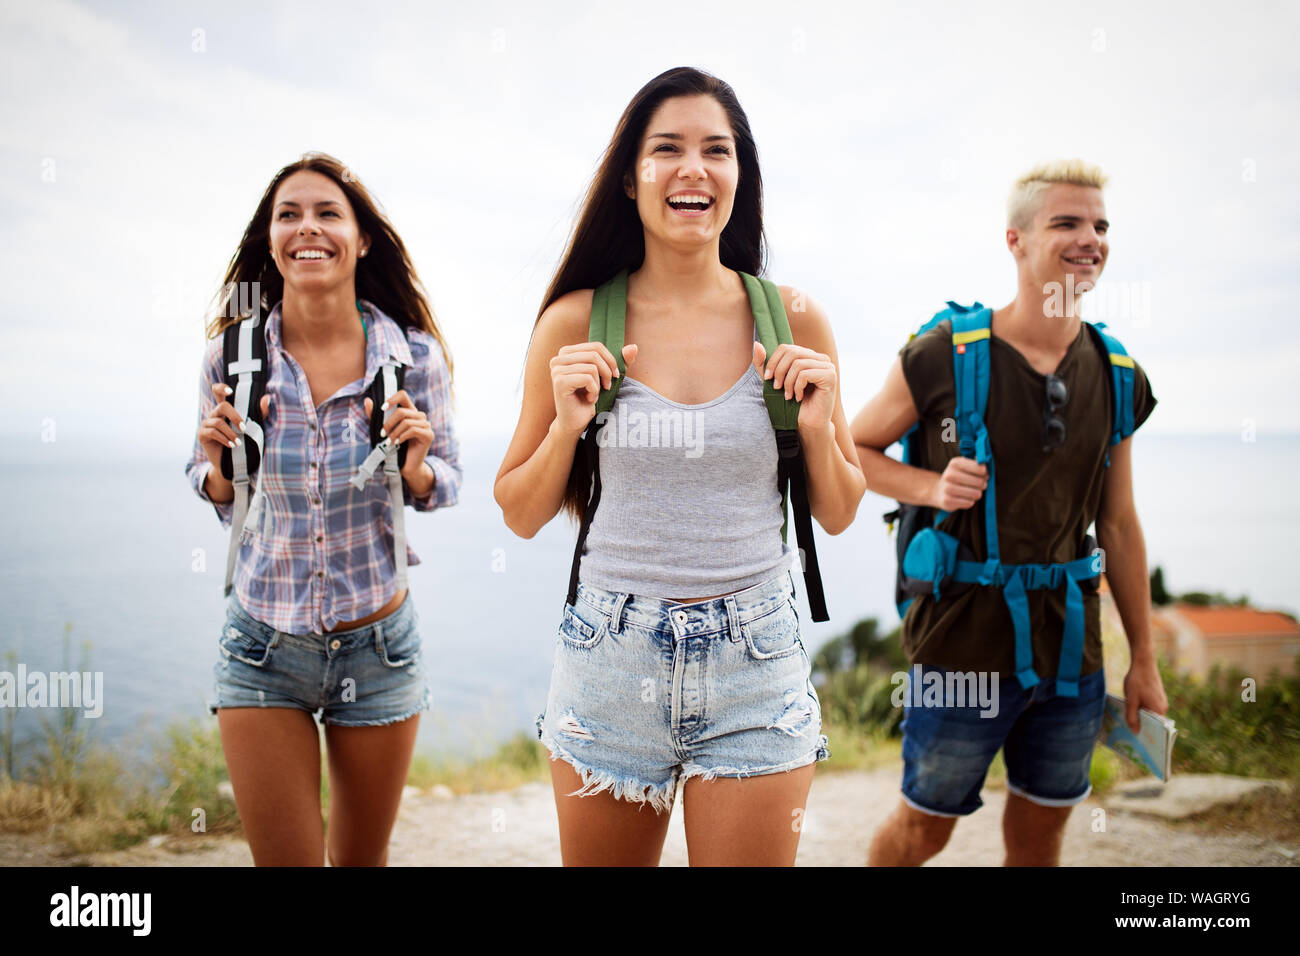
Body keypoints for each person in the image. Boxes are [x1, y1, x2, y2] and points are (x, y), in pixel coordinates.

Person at [494, 67, 865, 866]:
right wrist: (565, 428)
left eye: (716, 150)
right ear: (632, 178)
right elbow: (519, 512)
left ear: (739, 176)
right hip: (609, 656)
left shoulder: (795, 318)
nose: (693, 168)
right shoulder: (575, 319)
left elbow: (839, 510)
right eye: (668, 149)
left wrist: (819, 424)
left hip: (754, 661)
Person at [850, 159, 1168, 866]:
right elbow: (853, 450)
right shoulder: (943, 356)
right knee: (923, 830)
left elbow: (1118, 524)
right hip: (960, 645)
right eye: (1067, 222)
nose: (1090, 238)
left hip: (1071, 652)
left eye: (1100, 225)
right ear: (1015, 241)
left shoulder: (1118, 375)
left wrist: (1142, 660)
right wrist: (932, 488)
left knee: (1040, 833)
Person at [185, 152, 461, 866]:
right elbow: (215, 490)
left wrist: (417, 466)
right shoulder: (233, 357)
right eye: (289, 214)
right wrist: (216, 466)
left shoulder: (412, 357)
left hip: (377, 648)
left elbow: (446, 481)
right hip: (261, 648)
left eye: (327, 213)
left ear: (361, 238)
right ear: (271, 239)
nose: (308, 228)